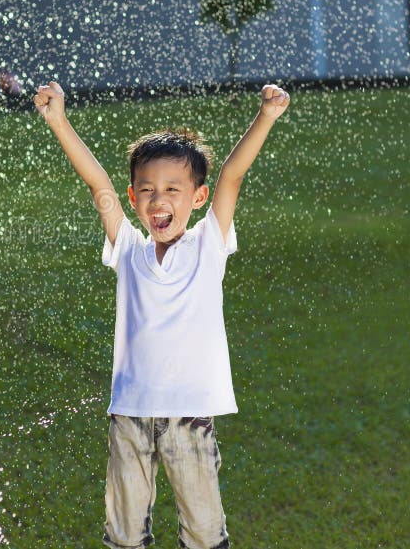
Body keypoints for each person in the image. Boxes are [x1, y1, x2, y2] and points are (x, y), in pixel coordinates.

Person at [33, 81, 290, 549]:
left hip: (189, 416)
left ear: (197, 197)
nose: (158, 200)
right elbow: (99, 185)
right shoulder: (128, 249)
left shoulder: (208, 245)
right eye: (147, 190)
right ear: (134, 199)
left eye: (173, 189)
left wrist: (266, 117)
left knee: (204, 533)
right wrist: (58, 121)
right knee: (124, 535)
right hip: (130, 413)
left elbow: (232, 175)